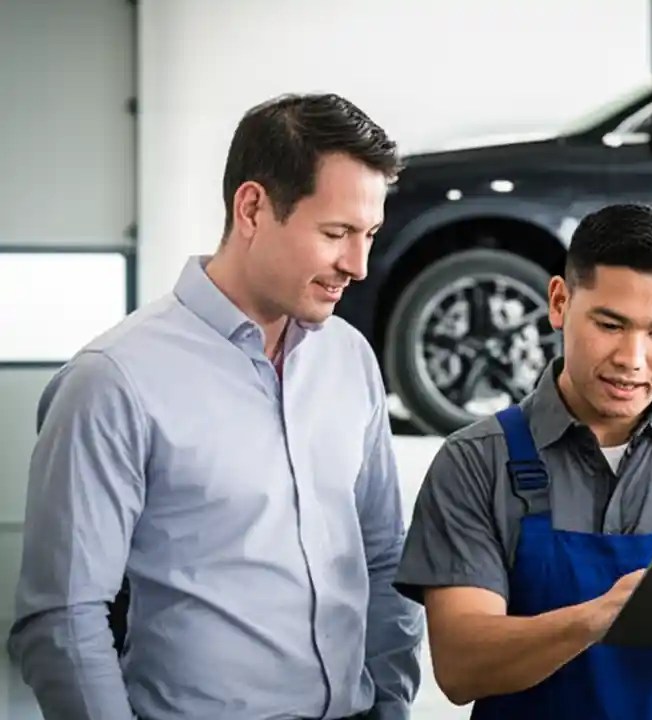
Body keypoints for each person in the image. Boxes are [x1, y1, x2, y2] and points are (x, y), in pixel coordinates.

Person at [7, 93, 425, 720]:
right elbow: (63, 619)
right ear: (252, 208)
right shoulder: (114, 380)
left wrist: (389, 705)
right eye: (336, 233)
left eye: (368, 235)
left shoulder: (350, 359)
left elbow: (384, 556)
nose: (358, 265)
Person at [393, 203, 652, 718]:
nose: (632, 358)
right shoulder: (477, 463)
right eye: (611, 324)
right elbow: (462, 666)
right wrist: (594, 620)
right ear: (559, 302)